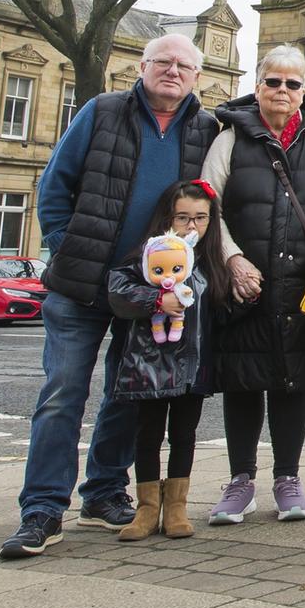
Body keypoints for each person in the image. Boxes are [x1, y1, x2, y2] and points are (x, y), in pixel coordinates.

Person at [2, 35, 219, 560]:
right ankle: (42, 509)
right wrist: (67, 248)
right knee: (62, 393)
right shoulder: (102, 112)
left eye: (184, 65)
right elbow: (54, 188)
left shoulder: (206, 127)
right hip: (81, 285)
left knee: (128, 396)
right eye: (163, 62)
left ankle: (102, 493)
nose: (173, 71)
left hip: (149, 293)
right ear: (142, 67)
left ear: (196, 75)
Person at [200, 45, 305, 525]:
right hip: (245, 285)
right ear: (258, 85)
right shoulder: (229, 140)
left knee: (292, 382)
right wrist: (233, 259)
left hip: (302, 285)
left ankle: (289, 479)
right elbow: (207, 207)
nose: (283, 91)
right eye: (273, 82)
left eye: (293, 83)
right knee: (242, 381)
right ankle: (240, 481)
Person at [105, 181, 232, 542]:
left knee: (184, 434)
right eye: (183, 217)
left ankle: (176, 507)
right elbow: (118, 288)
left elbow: (221, 308)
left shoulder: (210, 261)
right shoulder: (148, 256)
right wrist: (156, 301)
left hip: (193, 365)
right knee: (147, 434)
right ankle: (147, 508)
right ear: (168, 217)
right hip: (149, 363)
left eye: (201, 218)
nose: (192, 226)